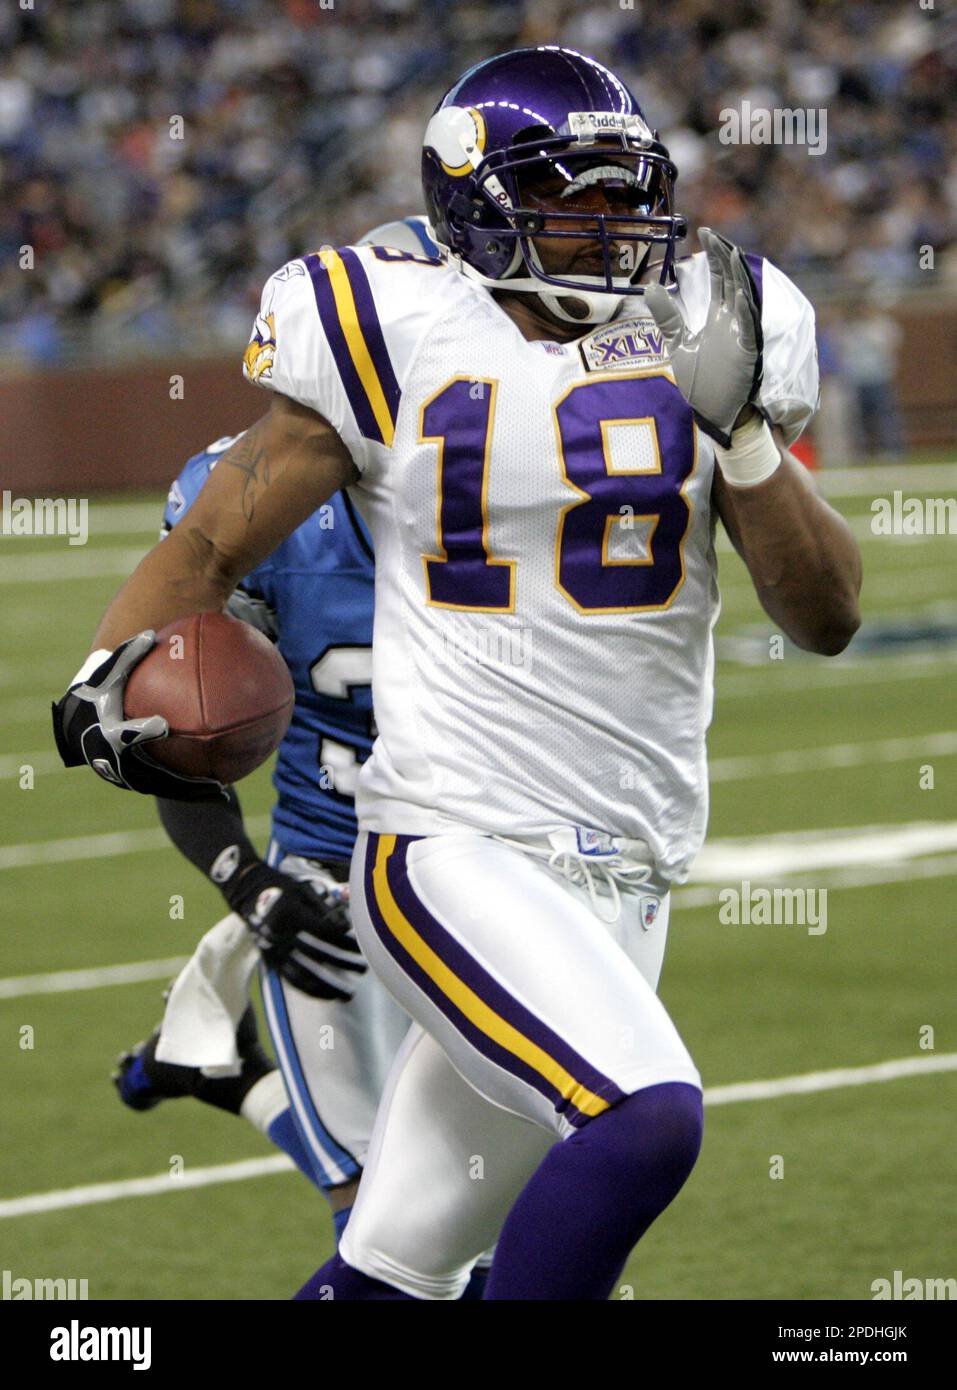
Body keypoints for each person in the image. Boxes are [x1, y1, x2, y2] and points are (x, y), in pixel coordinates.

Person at [53, 46, 861, 1300]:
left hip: (631, 864)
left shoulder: (717, 316)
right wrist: (106, 669)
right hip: (452, 838)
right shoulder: (391, 320)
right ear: (477, 203)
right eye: (573, 197)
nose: (614, 228)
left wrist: (746, 436)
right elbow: (212, 543)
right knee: (646, 1118)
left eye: (626, 194)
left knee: (396, 1264)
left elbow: (826, 617)